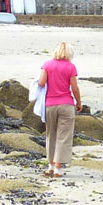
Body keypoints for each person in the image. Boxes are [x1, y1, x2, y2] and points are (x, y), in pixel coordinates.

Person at [37, 41, 81, 178]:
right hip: (66, 104)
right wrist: (79, 102)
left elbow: (41, 82)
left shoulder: (47, 65)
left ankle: (50, 166)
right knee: (64, 136)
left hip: (50, 105)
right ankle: (58, 169)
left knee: (51, 134)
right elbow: (74, 88)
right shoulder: (71, 67)